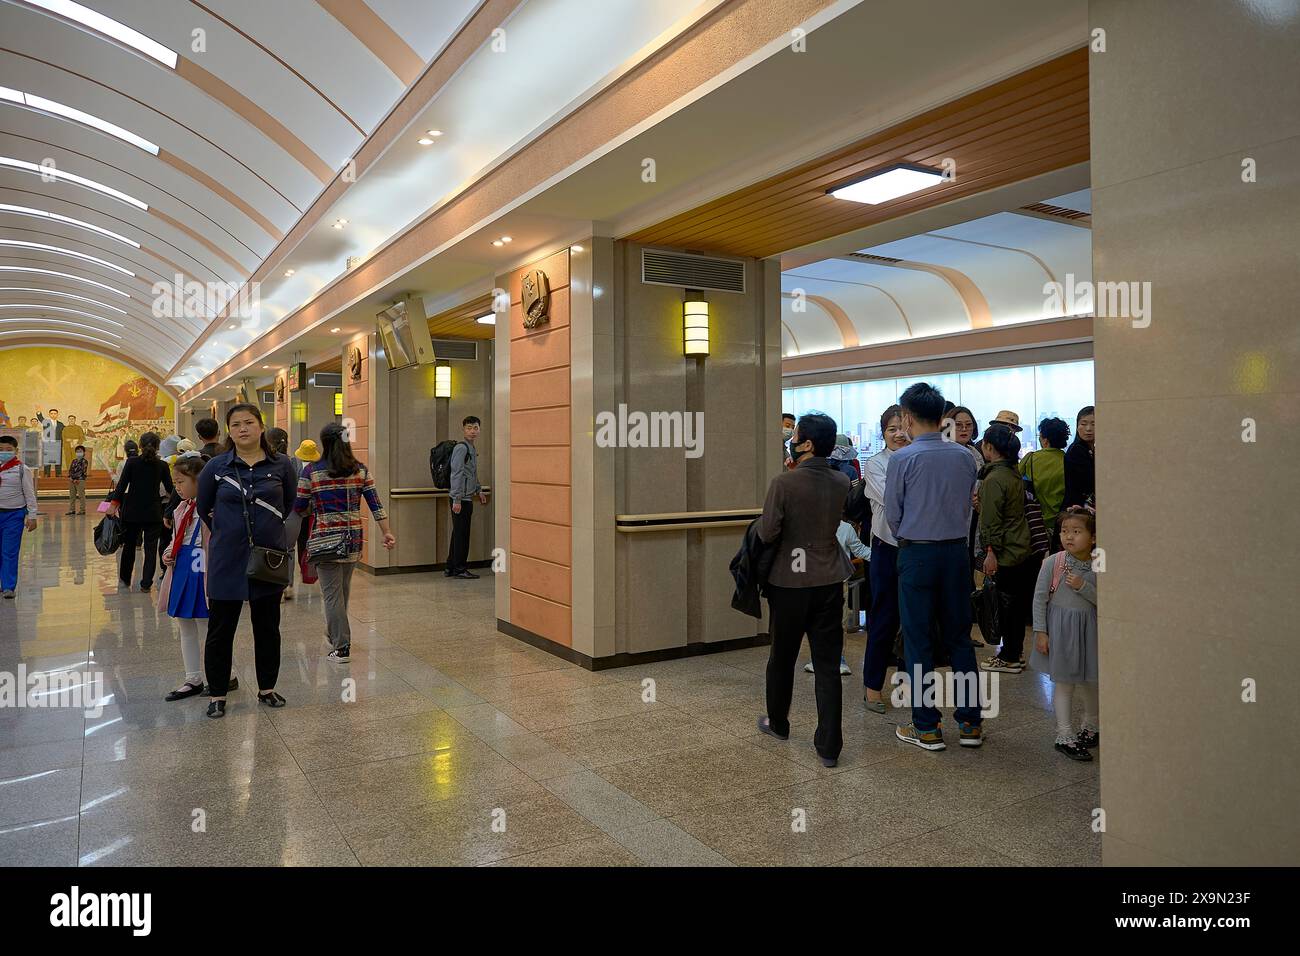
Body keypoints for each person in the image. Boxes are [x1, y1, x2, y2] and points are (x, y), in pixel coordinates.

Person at [885, 382, 983, 751]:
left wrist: (912, 536)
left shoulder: (902, 459)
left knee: (918, 640)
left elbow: (894, 515)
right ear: (941, 416)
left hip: (917, 554)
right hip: (956, 554)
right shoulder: (963, 456)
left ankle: (926, 727)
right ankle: (971, 724)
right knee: (960, 638)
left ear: (908, 418)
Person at [754, 412, 851, 767]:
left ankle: (778, 723)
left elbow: (767, 532)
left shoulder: (785, 482)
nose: (791, 439)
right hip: (828, 580)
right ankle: (829, 746)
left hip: (790, 581)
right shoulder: (841, 481)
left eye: (795, 435)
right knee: (827, 664)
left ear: (807, 444)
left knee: (782, 657)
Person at [195, 404, 297, 718]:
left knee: (267, 627)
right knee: (220, 630)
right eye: (236, 424)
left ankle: (267, 688)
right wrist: (229, 533)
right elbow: (204, 508)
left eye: (249, 422)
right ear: (229, 430)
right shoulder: (216, 466)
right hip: (228, 560)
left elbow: (289, 503)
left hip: (268, 559)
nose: (243, 429)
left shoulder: (281, 465)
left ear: (261, 426)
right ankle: (217, 694)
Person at [294, 423, 395, 663]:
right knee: (343, 591)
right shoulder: (359, 470)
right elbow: (375, 504)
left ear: (325, 443)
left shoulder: (311, 471)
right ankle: (335, 632)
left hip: (324, 540)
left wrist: (316, 505)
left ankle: (341, 647)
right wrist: (387, 532)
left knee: (332, 595)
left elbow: (299, 506)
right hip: (352, 540)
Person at [157, 453, 238, 699]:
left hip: (205, 569)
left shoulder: (213, 508)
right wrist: (169, 553)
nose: (177, 487)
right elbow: (175, 539)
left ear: (198, 481)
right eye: (175, 482)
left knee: (209, 626)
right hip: (183, 568)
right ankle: (192, 677)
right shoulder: (181, 508)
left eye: (181, 482)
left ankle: (227, 674)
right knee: (185, 624)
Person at [1030, 508, 1099, 760]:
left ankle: (1092, 725)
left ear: (1093, 537)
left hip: (1090, 629)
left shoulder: (1099, 560)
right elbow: (1039, 599)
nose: (1068, 537)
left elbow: (1110, 599)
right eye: (1064, 531)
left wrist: (1084, 588)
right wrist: (1041, 631)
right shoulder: (1054, 562)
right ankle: (1065, 734)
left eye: (1077, 532)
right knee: (1064, 682)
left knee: (1092, 680)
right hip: (1061, 630)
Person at [860, 404, 910, 714]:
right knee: (883, 617)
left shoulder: (918, 459)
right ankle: (872, 687)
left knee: (915, 619)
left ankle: (908, 684)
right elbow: (894, 499)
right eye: (892, 429)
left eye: (903, 427)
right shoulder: (876, 464)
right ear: (883, 433)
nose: (898, 434)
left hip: (917, 546)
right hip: (886, 547)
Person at [977, 423, 1037, 674]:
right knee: (1017, 605)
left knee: (1007, 605)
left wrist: (990, 551)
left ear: (989, 448)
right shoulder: (1013, 473)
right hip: (1021, 545)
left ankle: (1009, 656)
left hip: (1005, 550)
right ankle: (1015, 652)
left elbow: (991, 521)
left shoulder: (993, 479)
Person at [106, 432, 173, 592]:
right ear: (157, 447)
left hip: (131, 512)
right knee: (150, 549)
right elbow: (170, 489)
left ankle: (125, 579)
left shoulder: (132, 463)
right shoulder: (162, 465)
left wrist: (113, 505)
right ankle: (146, 584)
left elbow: (121, 486)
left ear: (140, 446)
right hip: (153, 512)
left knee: (129, 547)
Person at [446, 415, 487, 579]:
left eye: (475, 428)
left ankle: (450, 566)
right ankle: (460, 568)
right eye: (469, 428)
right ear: (463, 430)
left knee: (458, 533)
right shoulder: (462, 448)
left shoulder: (471, 448)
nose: (472, 431)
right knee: (462, 535)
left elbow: (471, 473)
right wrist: (456, 499)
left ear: (479, 429)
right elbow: (456, 474)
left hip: (466, 497)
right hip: (461, 499)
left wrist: (479, 490)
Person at [1021, 416, 1070, 544]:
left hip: (1036, 523)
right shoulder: (1068, 460)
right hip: (1063, 522)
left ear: (1045, 440)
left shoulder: (1030, 459)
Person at [0, 435, 38, 599]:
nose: (4, 453)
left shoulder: (22, 469)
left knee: (9, 551)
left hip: (14, 515)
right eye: (1, 450)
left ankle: (8, 586)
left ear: (16, 451)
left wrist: (32, 515)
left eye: (8, 450)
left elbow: (29, 494)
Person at [267, 428, 301, 600]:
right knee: (289, 550)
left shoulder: (267, 462)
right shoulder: (295, 462)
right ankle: (288, 586)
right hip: (294, 513)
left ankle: (275, 587)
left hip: (273, 511)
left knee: (271, 549)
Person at [1063, 405, 1095, 510]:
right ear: (1077, 426)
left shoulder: (1091, 450)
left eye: (1094, 424)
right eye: (1083, 424)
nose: (1088, 429)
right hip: (1077, 509)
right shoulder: (1076, 450)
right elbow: (1090, 482)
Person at [36, 408, 63, 477]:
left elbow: (65, 432)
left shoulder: (61, 424)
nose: (53, 415)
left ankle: (58, 474)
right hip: (48, 443)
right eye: (52, 413)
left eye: (55, 413)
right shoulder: (46, 422)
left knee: (58, 460)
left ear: (57, 415)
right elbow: (40, 418)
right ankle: (47, 474)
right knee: (48, 460)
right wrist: (39, 412)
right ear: (49, 414)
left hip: (58, 444)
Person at [67, 444, 89, 515]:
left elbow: (82, 471)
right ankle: (72, 510)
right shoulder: (74, 461)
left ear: (83, 452)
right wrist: (70, 477)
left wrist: (76, 479)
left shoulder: (84, 461)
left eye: (80, 451)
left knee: (81, 496)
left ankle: (82, 510)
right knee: (72, 496)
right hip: (72, 481)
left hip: (80, 480)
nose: (79, 453)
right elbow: (70, 470)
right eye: (77, 451)